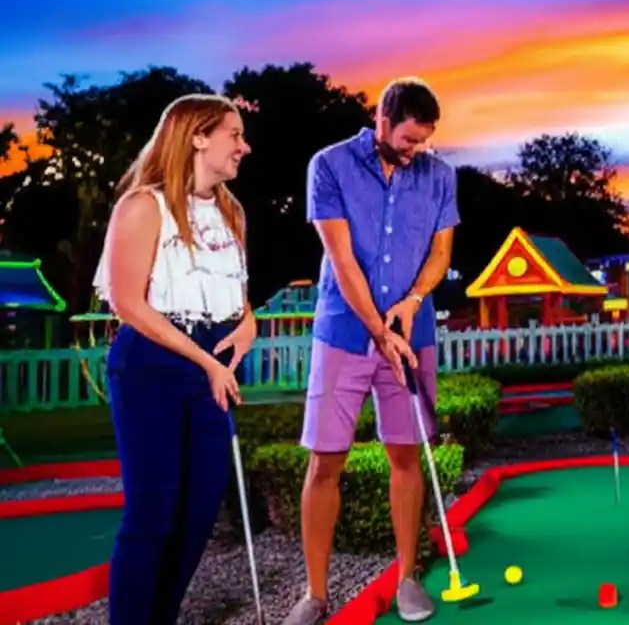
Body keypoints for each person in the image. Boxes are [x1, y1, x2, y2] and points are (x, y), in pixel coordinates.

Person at [286, 77, 458, 624]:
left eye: (424, 142)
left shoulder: (440, 175)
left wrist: (411, 303)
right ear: (382, 120)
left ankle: (407, 578)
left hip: (414, 333)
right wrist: (378, 331)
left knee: (406, 455)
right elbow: (342, 260)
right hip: (344, 333)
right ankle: (315, 595)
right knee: (325, 461)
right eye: (409, 140)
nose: (416, 152)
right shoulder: (329, 166)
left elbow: (440, 253)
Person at [93, 93, 256, 624]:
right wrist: (205, 361)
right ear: (197, 136)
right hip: (152, 365)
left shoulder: (232, 211)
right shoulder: (143, 206)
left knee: (198, 514)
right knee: (152, 515)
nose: (244, 147)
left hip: (212, 361)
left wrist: (248, 322)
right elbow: (128, 302)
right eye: (234, 135)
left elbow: (234, 291)